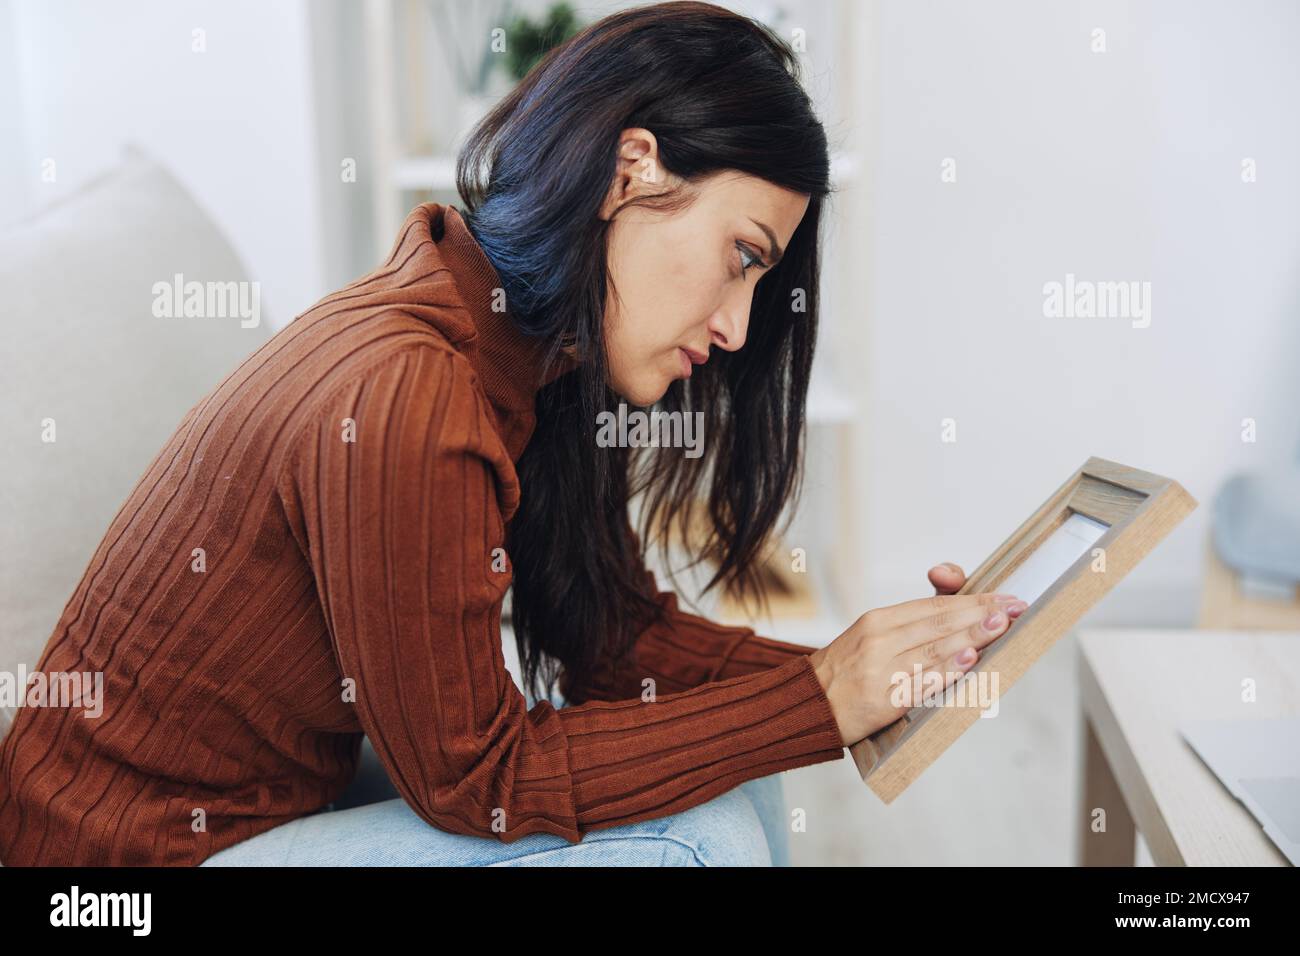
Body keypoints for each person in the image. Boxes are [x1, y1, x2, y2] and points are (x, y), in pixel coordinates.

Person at [0, 1, 1024, 867]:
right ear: (630, 173)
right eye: (741, 257)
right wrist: (821, 696)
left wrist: (869, 666)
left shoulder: (526, 350)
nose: (737, 324)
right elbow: (479, 779)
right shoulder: (409, 392)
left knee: (739, 787)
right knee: (697, 836)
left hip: (268, 801)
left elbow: (617, 642)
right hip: (118, 871)